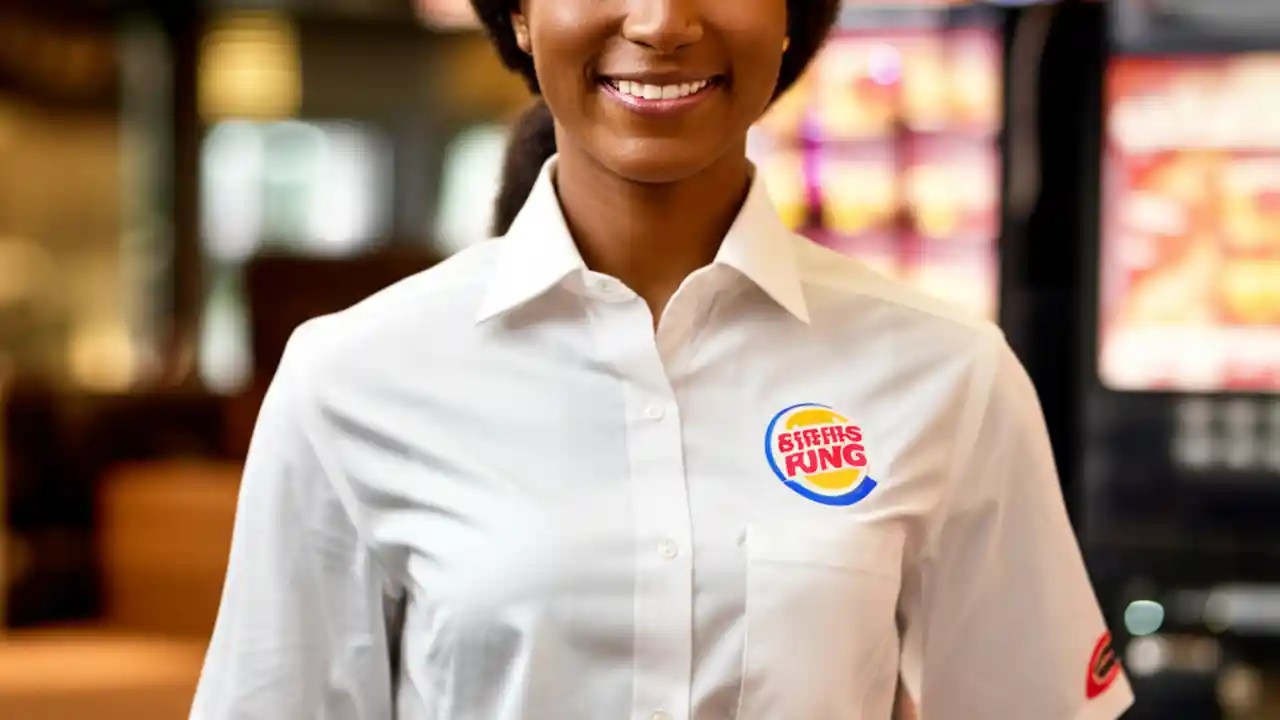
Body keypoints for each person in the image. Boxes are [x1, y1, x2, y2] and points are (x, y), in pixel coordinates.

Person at [190, 0, 1135, 718]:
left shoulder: (949, 374)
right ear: (519, 13)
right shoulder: (351, 378)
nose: (661, 22)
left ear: (791, 19)